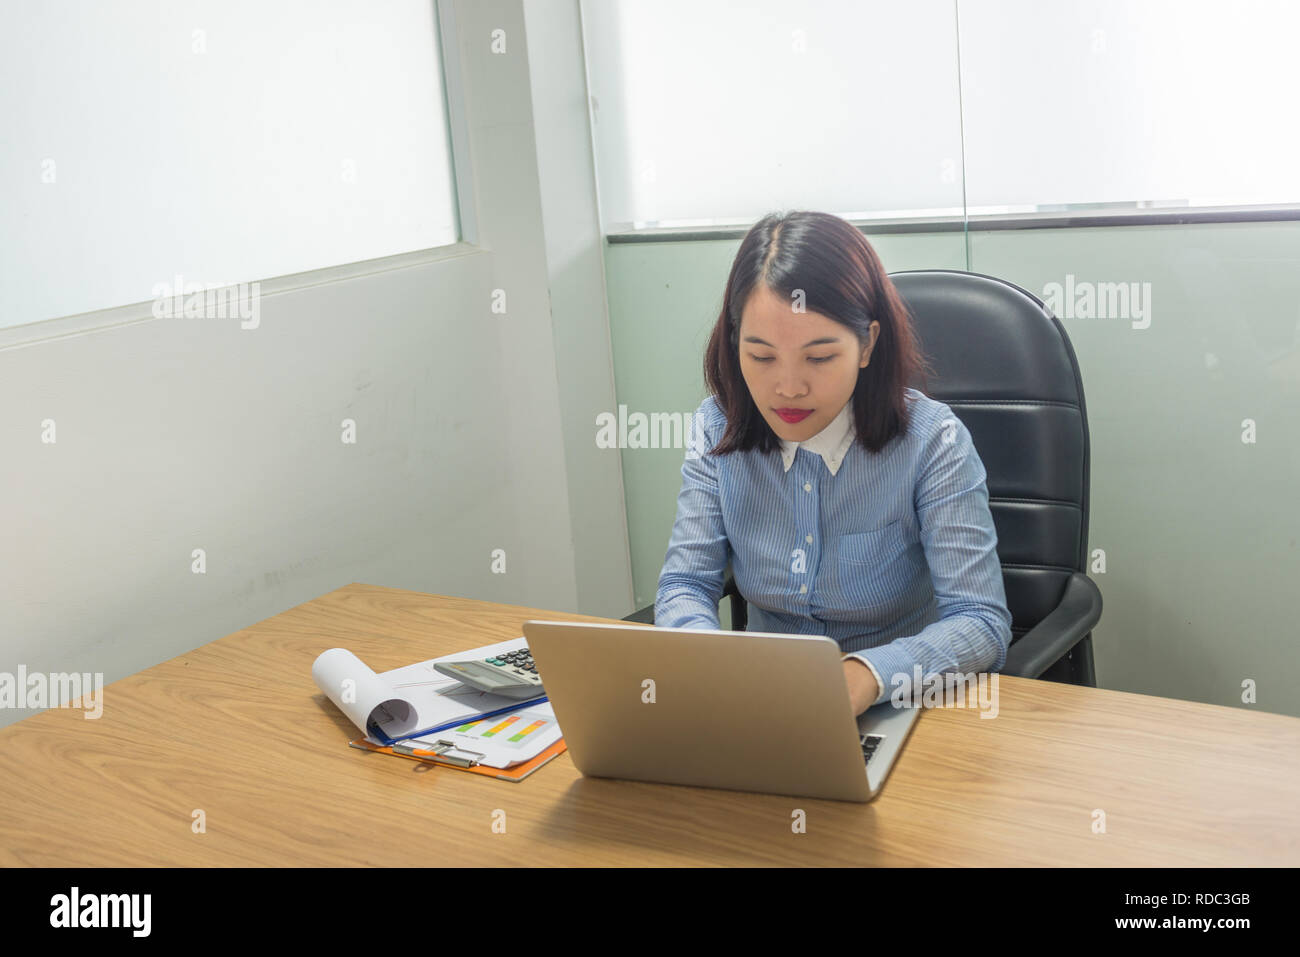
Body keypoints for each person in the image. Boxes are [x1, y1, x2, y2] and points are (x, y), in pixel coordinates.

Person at [655, 209, 1012, 716]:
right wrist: (705, 653)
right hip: (760, 706)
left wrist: (868, 674)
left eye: (819, 358)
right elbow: (686, 585)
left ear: (867, 344)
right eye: (761, 356)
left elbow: (981, 622)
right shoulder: (717, 430)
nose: (789, 387)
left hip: (900, 707)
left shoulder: (934, 441)